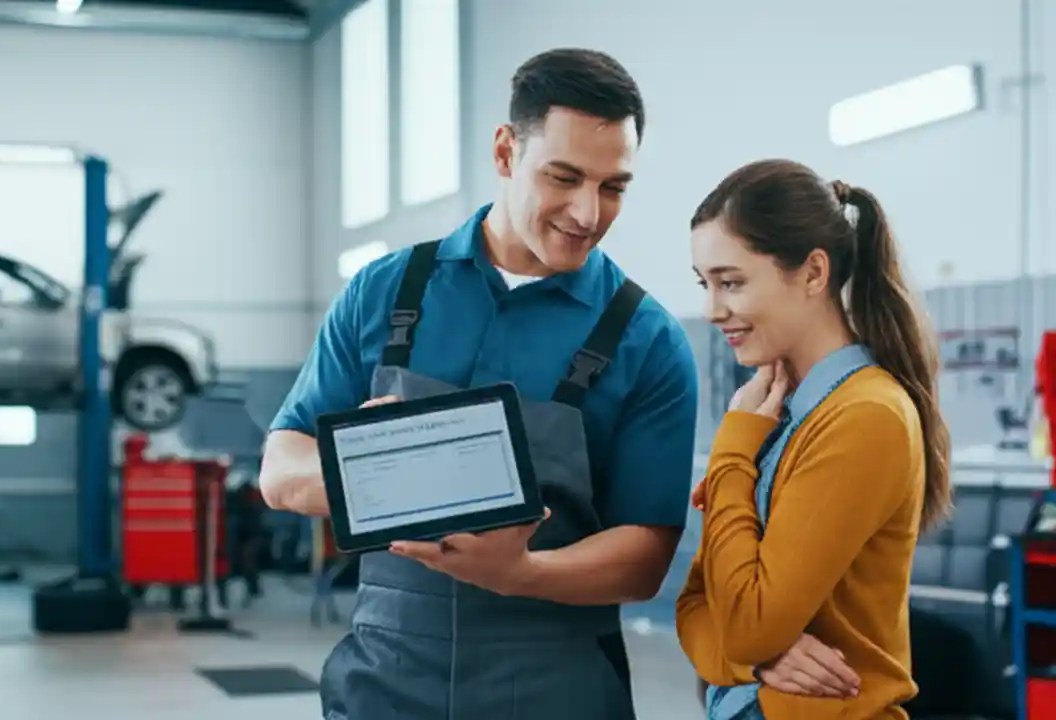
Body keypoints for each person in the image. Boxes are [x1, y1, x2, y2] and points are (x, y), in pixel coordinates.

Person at [260, 48, 699, 719]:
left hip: (556, 690)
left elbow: (644, 556)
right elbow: (280, 470)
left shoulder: (647, 339)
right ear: (504, 151)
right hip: (386, 685)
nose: (587, 212)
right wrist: (379, 470)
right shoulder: (387, 292)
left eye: (613, 187)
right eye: (564, 177)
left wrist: (522, 574)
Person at [675, 159, 953, 719]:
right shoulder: (780, 414)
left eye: (731, 282)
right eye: (705, 284)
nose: (712, 309)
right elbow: (693, 607)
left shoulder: (865, 416)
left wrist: (733, 450)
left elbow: (748, 625)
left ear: (813, 273)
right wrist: (753, 663)